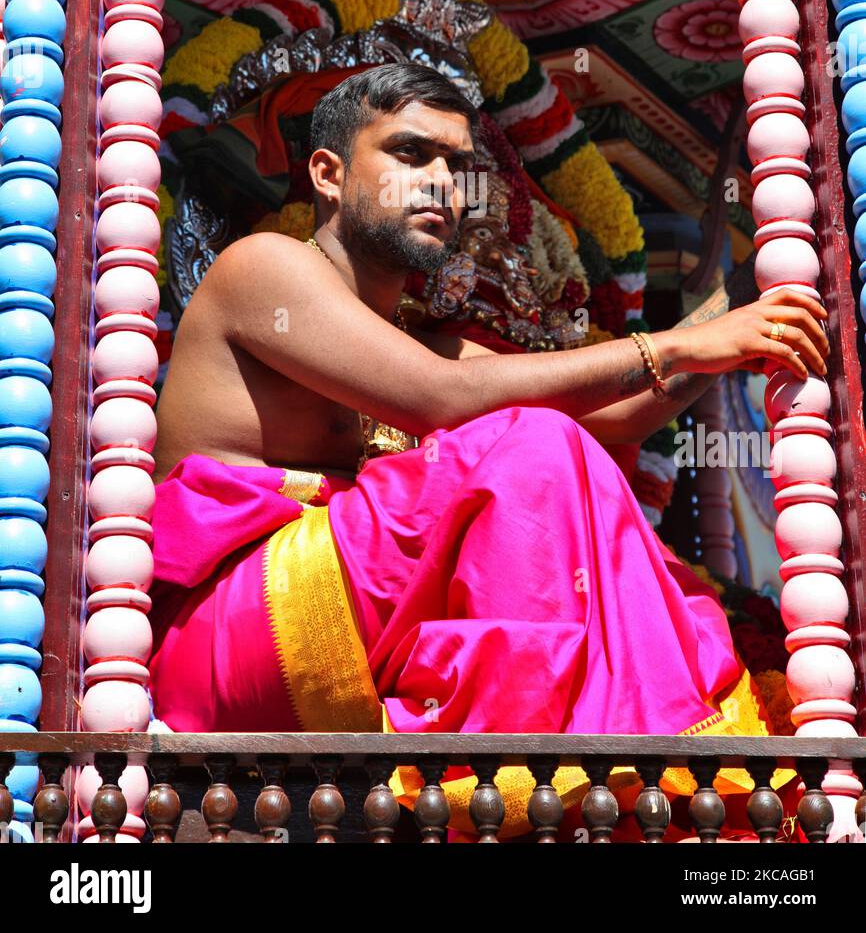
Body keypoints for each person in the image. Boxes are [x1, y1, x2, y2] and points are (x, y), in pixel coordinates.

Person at [150, 62, 827, 834]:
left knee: (623, 529)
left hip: (340, 633)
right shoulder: (264, 269)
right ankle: (523, 770)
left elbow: (618, 421)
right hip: (234, 635)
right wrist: (674, 347)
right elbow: (447, 400)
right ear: (329, 175)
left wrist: (734, 328)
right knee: (532, 443)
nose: (442, 183)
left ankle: (607, 762)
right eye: (410, 154)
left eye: (456, 165)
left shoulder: (420, 344)